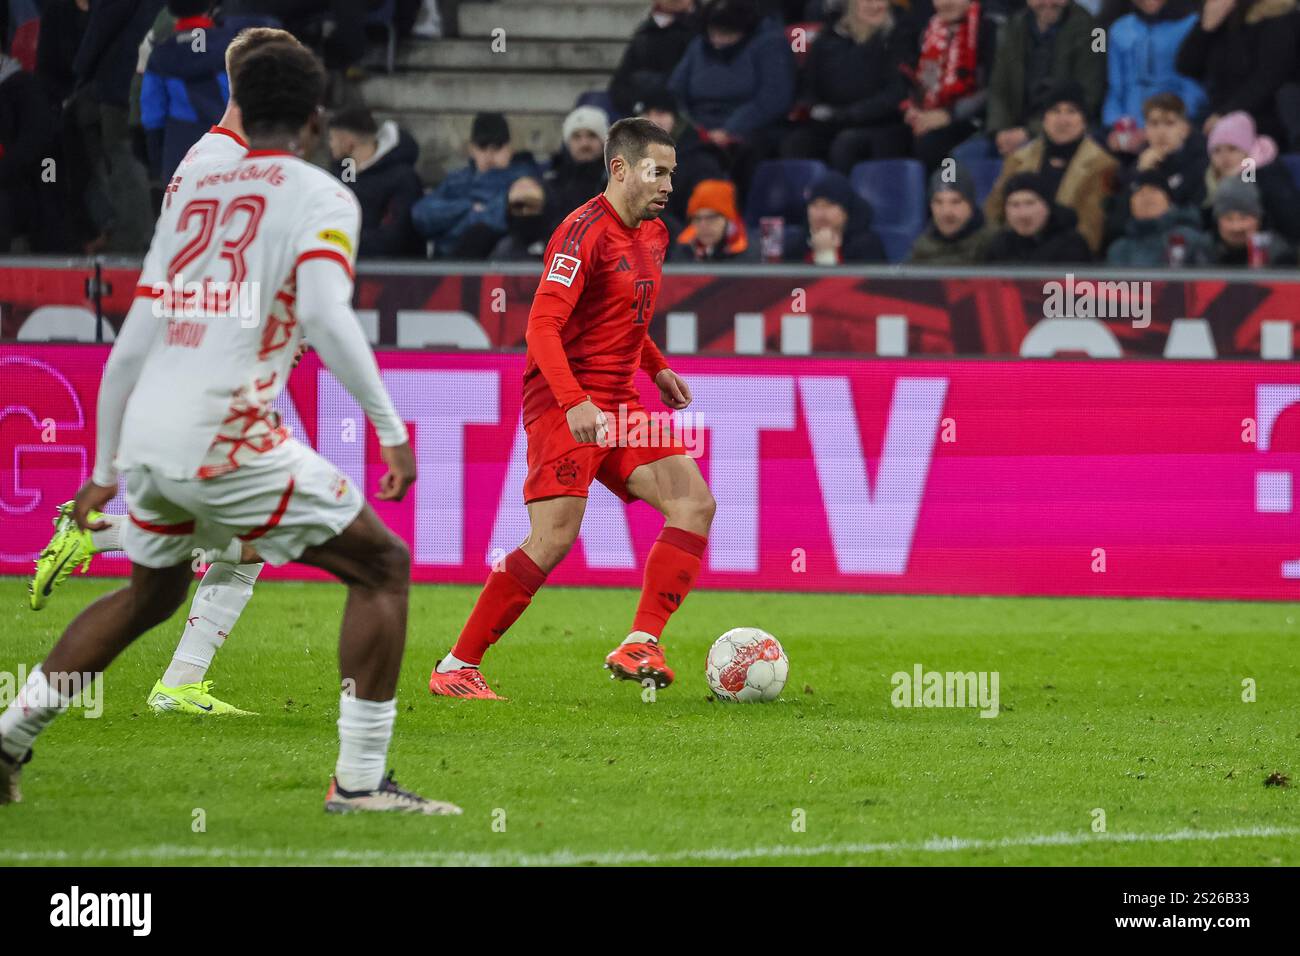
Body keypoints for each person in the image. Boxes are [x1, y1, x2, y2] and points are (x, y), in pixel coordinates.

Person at [2, 38, 459, 815]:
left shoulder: (193, 194)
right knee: (381, 566)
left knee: (152, 593)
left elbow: (133, 340)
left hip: (151, 432)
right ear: (315, 121)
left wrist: (106, 466)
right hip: (229, 434)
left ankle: (9, 739)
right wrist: (389, 427)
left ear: (238, 103)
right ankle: (359, 784)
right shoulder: (320, 196)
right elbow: (322, 312)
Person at [28, 27, 309, 719]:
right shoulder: (229, 164)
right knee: (249, 536)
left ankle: (178, 680)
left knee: (242, 542)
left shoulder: (207, 158)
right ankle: (95, 537)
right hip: (213, 376)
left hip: (207, 366)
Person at [428, 118, 714, 699]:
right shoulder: (581, 232)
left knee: (694, 504)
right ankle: (456, 666)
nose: (667, 185)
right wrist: (575, 400)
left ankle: (642, 641)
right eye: (657, 172)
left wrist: (654, 364)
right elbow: (541, 325)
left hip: (619, 400)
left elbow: (624, 313)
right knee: (554, 539)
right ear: (620, 168)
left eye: (671, 174)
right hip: (565, 401)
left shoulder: (655, 233)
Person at [780, 0, 916, 172]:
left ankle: (841, 198)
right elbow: (809, 87)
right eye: (867, 1)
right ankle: (804, 198)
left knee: (847, 144)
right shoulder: (827, 38)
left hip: (882, 124)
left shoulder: (899, 35)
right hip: (833, 121)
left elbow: (897, 93)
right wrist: (812, 108)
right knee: (797, 142)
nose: (875, 6)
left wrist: (850, 114)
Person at [983, 81, 1118, 254]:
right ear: (1044, 120)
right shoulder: (1017, 160)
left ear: (1083, 120)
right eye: (1055, 111)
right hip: (1016, 255)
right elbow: (993, 213)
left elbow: (1091, 229)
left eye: (1072, 111)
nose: (1063, 120)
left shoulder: (1102, 165)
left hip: (1068, 259)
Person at [966, 0, 1104, 162]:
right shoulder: (1013, 26)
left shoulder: (1092, 30)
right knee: (963, 158)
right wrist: (999, 131)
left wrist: (1029, 132)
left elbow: (1090, 97)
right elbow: (999, 87)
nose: (1048, 3)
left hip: (1062, 131)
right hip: (1012, 130)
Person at [411, 111, 540, 258]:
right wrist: (469, 207)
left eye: (497, 146)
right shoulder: (458, 179)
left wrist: (449, 226)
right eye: (483, 146)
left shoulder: (524, 179)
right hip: (448, 263)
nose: (490, 154)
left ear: (509, 148)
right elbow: (421, 214)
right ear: (472, 148)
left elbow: (500, 223)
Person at [141, 1, 244, 182]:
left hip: (181, 152)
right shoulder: (234, 45)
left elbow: (152, 114)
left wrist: (156, 159)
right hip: (235, 144)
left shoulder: (160, 56)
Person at [1174, 0, 1299, 146]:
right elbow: (1186, 67)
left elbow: (1269, 78)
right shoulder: (1224, 15)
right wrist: (1205, 28)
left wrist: (1226, 113)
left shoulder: (1282, 17)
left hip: (1264, 120)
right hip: (1216, 113)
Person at [899, 0, 1000, 171]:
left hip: (975, 119)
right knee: (893, 139)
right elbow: (926, 82)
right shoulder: (930, 31)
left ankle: (947, 190)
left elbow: (994, 90)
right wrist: (916, 109)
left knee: (932, 144)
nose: (946, 3)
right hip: (935, 114)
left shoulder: (988, 29)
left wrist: (949, 115)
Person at [1102, 0, 1205, 153]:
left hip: (1174, 122)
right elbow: (1115, 87)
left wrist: (1157, 127)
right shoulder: (1120, 29)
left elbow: (1195, 86)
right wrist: (1116, 127)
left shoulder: (1191, 25)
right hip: (1129, 126)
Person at [328, 105, 424, 258]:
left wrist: (338, 241)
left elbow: (394, 238)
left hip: (392, 274)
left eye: (332, 138)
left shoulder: (402, 178)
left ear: (348, 142)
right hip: (344, 264)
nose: (330, 145)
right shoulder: (342, 173)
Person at [1201, 110, 1300, 243]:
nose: (1224, 158)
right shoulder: (1210, 179)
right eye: (1216, 150)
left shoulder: (1266, 175)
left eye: (1232, 149)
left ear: (1248, 150)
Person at [608, 0, 700, 117]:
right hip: (642, 112)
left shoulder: (704, 31)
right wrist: (638, 106)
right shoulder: (645, 32)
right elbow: (619, 84)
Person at [1105, 169, 1211, 265]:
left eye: (1153, 190)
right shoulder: (1119, 250)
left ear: (1169, 201)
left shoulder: (1191, 240)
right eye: (1140, 193)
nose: (1146, 197)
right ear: (1131, 205)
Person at [983, 170, 1093, 262]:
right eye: (1014, 205)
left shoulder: (1072, 245)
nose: (1023, 214)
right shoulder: (1000, 245)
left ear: (1048, 206)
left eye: (1030, 203)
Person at [782, 169, 887, 264]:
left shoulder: (867, 245)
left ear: (846, 211)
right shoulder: (797, 243)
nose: (820, 214)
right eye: (814, 205)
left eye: (829, 205)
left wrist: (825, 255)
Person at [908, 164, 997, 263]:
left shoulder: (995, 246)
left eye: (956, 202)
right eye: (938, 202)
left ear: (971, 205)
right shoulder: (921, 247)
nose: (946, 212)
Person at [542, 105, 608, 235]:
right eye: (577, 137)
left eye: (592, 136)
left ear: (604, 142)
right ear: (567, 143)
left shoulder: (615, 181)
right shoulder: (552, 182)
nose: (584, 143)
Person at [1206, 175, 1296, 265]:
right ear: (1217, 221)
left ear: (1259, 219)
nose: (1236, 227)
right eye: (1228, 219)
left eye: (1244, 218)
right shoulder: (1202, 251)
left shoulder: (1279, 253)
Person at [671, 178, 757, 261]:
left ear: (728, 220)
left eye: (711, 218)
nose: (703, 225)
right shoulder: (684, 248)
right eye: (697, 218)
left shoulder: (750, 251)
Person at [489, 175, 549, 261]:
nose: (525, 212)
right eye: (518, 207)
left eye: (532, 205)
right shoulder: (503, 250)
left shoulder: (555, 247)